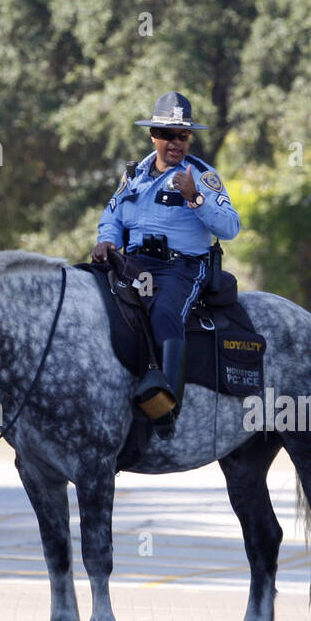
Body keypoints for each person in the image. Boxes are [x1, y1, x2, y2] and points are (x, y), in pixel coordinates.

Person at [93, 90, 240, 437]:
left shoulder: (202, 175)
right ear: (153, 136)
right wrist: (107, 239)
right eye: (169, 135)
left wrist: (195, 197)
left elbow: (230, 227)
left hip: (182, 267)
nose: (176, 143)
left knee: (164, 311)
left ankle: (166, 406)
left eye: (183, 136)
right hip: (132, 263)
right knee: (87, 296)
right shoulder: (133, 174)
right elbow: (111, 215)